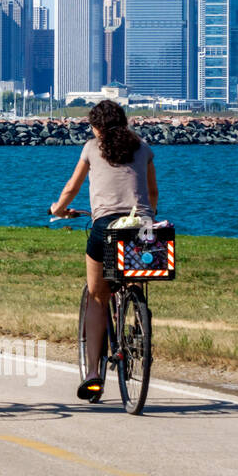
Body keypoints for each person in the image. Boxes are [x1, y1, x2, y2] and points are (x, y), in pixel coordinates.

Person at [49, 99, 159, 402]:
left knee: (98, 296)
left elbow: (72, 188)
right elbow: (152, 193)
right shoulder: (143, 147)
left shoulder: (91, 148)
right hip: (142, 225)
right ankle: (139, 323)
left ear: (96, 127)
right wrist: (146, 217)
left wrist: (59, 209)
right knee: (134, 274)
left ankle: (93, 374)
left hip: (105, 226)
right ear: (122, 122)